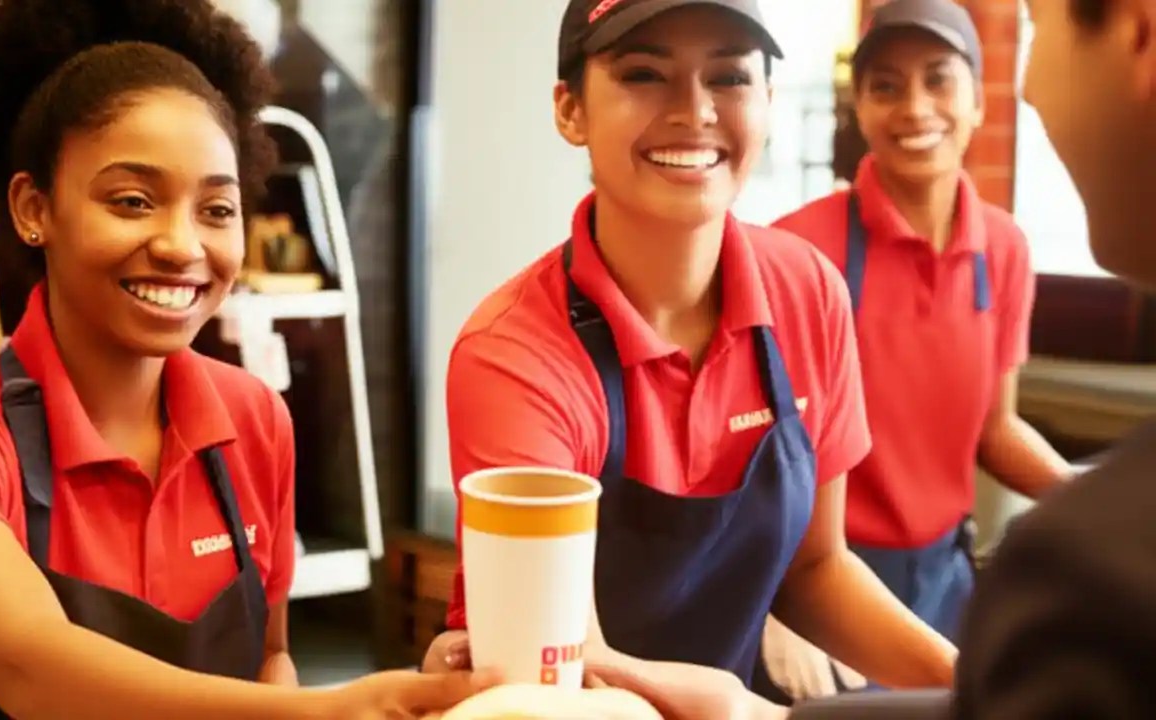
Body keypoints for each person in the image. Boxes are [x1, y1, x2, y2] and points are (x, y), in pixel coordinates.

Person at [0, 1, 493, 718]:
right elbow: (29, 665)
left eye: (217, 210)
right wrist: (328, 712)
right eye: (133, 200)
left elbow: (269, 654)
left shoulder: (253, 416)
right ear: (31, 208)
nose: (181, 245)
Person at [424, 0, 957, 717]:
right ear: (571, 110)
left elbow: (815, 568)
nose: (695, 110)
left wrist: (978, 685)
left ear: (767, 101)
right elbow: (556, 676)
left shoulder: (808, 295)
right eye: (645, 74)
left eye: (730, 78)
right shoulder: (516, 356)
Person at [765, 0, 1075, 695]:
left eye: (937, 79)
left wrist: (1095, 496)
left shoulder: (1005, 247)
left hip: (947, 578)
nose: (914, 107)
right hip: (826, 584)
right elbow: (753, 459)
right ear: (861, 108)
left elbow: (995, 430)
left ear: (977, 99)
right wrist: (769, 606)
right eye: (886, 86)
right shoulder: (795, 249)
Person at [952, 0, 1156, 717]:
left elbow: (994, 425)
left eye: (1037, 26)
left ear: (1140, 29)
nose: (1030, 86)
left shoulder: (1090, 584)